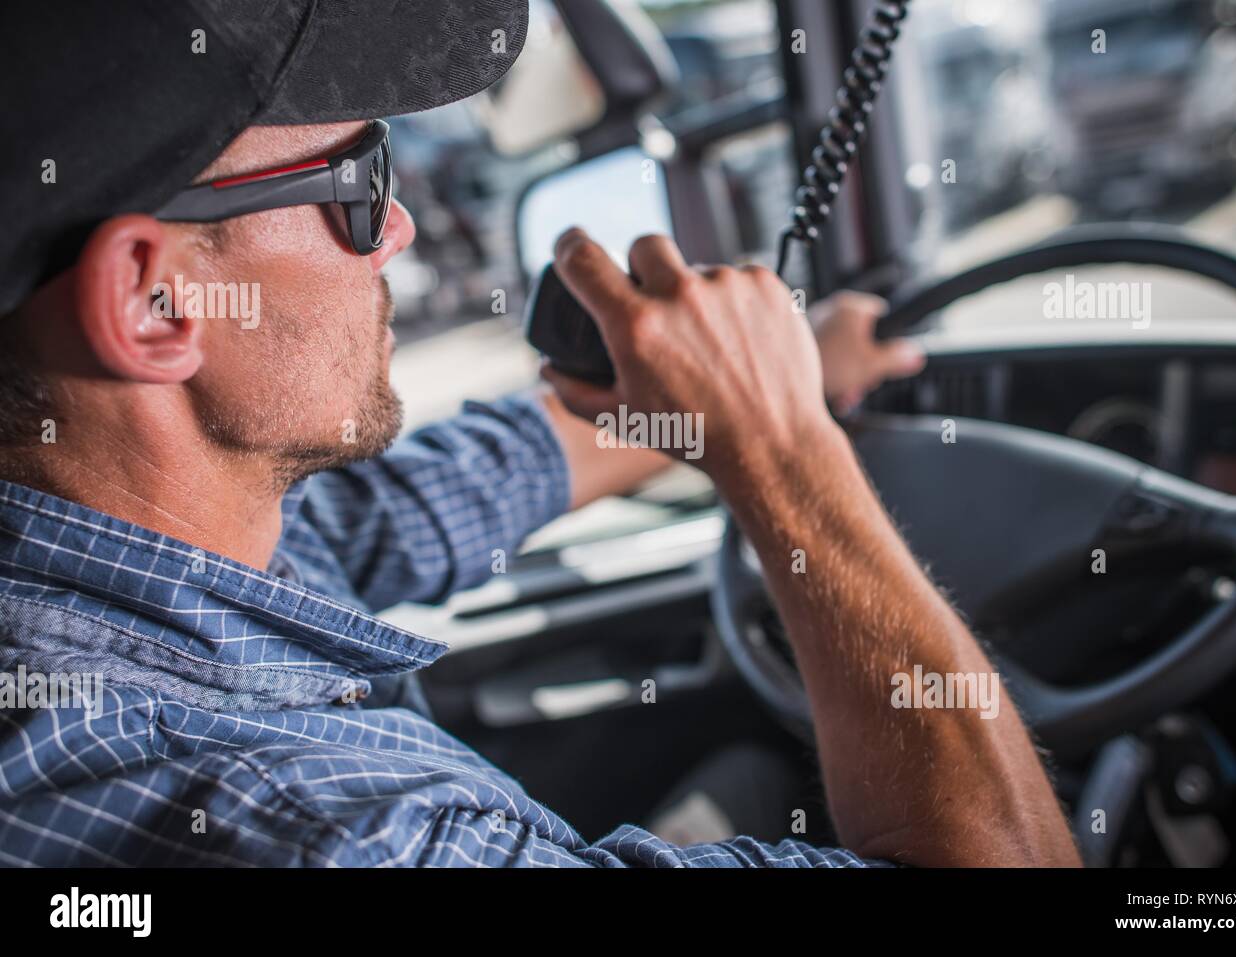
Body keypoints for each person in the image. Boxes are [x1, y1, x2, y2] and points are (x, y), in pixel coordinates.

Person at [0, 0, 1078, 867]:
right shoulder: (336, 831)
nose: (403, 231)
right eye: (361, 182)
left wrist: (734, 391)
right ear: (154, 304)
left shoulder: (111, 555)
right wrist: (788, 451)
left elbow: (431, 497)